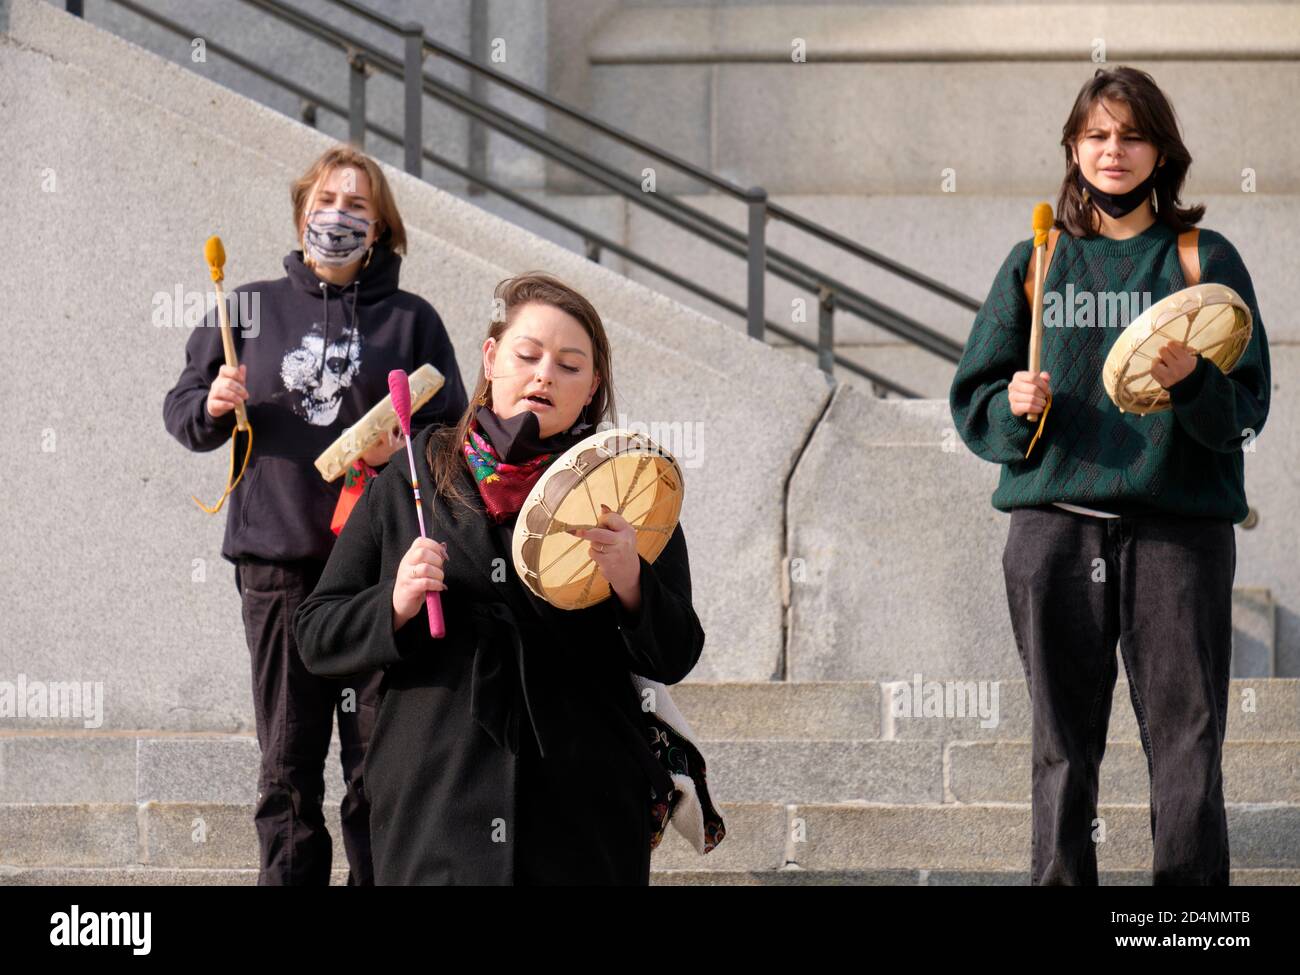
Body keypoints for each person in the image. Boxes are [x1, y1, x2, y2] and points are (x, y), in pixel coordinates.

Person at [949, 66, 1270, 885]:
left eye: (1131, 134)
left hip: (1179, 531)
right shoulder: (1037, 258)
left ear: (1162, 150)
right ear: (1073, 148)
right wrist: (1012, 404)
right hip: (1052, 525)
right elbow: (975, 398)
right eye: (1096, 135)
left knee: (1187, 742)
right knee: (1061, 745)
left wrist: (1194, 378)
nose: (1113, 150)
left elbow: (1246, 408)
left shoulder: (1202, 257)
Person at [293, 272, 706, 885]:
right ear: (490, 359)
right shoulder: (413, 474)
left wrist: (630, 582)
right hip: (436, 793)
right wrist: (396, 602)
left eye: (570, 366)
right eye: (528, 355)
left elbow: (676, 651)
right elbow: (316, 632)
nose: (545, 375)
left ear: (592, 388)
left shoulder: (625, 484)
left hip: (582, 807)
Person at [163, 144, 468, 885]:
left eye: (358, 206)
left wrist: (410, 441)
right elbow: (181, 412)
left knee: (378, 763)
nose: (339, 216)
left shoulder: (413, 319)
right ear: (303, 212)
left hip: (377, 572)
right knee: (288, 765)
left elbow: (455, 430)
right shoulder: (246, 306)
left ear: (382, 225)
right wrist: (211, 405)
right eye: (327, 201)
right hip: (277, 563)